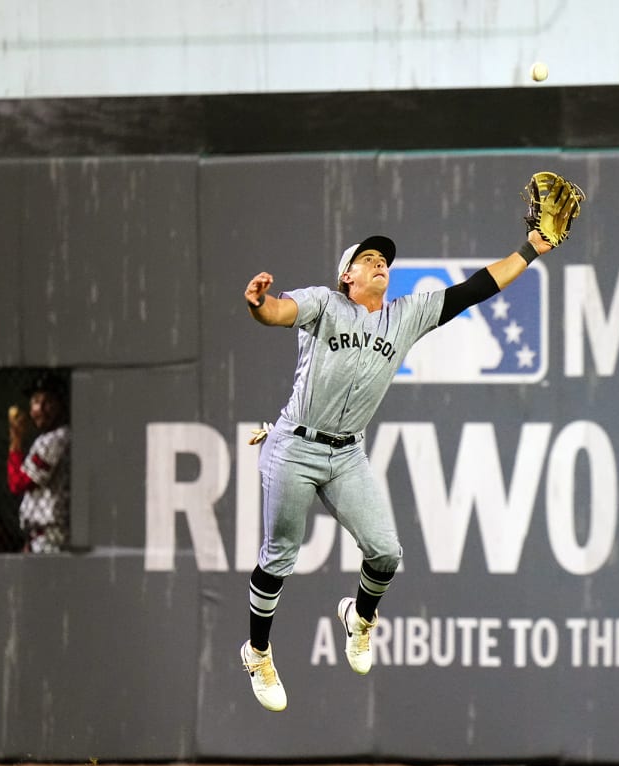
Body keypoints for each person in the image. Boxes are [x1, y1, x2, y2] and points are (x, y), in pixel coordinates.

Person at [238, 219, 560, 712]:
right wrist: (260, 303)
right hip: (294, 446)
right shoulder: (325, 304)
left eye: (383, 259)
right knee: (280, 555)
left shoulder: (406, 316)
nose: (379, 263)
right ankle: (257, 652)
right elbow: (279, 312)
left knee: (386, 554)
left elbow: (476, 288)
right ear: (347, 275)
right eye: (367, 259)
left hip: (346, 452)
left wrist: (531, 248)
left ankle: (359, 618)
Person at [7, 373, 71, 553]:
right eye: (35, 401)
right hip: (42, 538)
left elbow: (17, 483)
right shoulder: (48, 438)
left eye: (48, 402)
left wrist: (16, 442)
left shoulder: (58, 438)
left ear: (61, 405)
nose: (40, 408)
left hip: (52, 538)